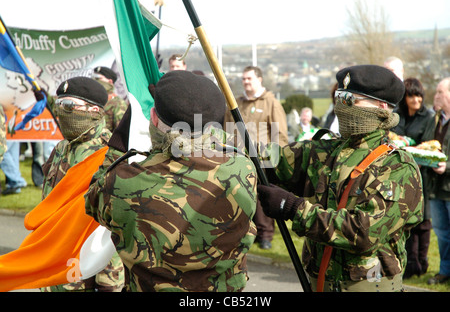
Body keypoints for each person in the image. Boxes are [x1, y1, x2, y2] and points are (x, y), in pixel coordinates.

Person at [85, 70, 258, 292]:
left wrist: (118, 142)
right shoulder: (242, 170)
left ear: (154, 117)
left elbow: (92, 198)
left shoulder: (121, 183)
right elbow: (217, 147)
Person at [257, 65, 423, 292]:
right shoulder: (325, 150)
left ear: (382, 107)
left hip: (368, 287)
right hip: (319, 283)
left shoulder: (398, 166)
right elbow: (267, 159)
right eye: (340, 97)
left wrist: (292, 208)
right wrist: (218, 142)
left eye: (352, 99)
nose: (343, 106)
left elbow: (363, 232)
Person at [41, 76, 124, 292]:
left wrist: (109, 282)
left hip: (85, 262)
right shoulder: (61, 148)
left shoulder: (109, 153)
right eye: (59, 105)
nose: (62, 112)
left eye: (69, 105)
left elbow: (111, 226)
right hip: (54, 256)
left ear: (94, 110)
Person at [224, 65, 288, 250]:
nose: (245, 82)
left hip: (264, 161)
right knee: (240, 197)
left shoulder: (271, 102)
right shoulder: (236, 103)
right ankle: (242, 235)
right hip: (239, 160)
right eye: (243, 79)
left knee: (264, 199)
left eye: (249, 78)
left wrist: (277, 159)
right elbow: (226, 129)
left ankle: (265, 235)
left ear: (259, 79)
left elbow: (280, 134)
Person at [391, 78, 435, 278]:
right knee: (406, 218)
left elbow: (428, 145)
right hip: (401, 175)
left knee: (423, 221)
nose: (416, 99)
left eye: (419, 95)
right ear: (404, 98)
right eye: (411, 95)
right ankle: (410, 264)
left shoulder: (427, 118)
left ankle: (422, 262)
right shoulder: (397, 117)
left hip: (422, 175)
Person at [423, 77, 450, 285]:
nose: (436, 96)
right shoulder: (434, 120)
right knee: (441, 235)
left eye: (440, 92)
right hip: (436, 188)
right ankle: (445, 271)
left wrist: (446, 167)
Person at [92, 66, 129, 133]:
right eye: (93, 78)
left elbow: (122, 131)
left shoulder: (118, 103)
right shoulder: (92, 101)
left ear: (110, 81)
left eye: (98, 78)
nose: (94, 80)